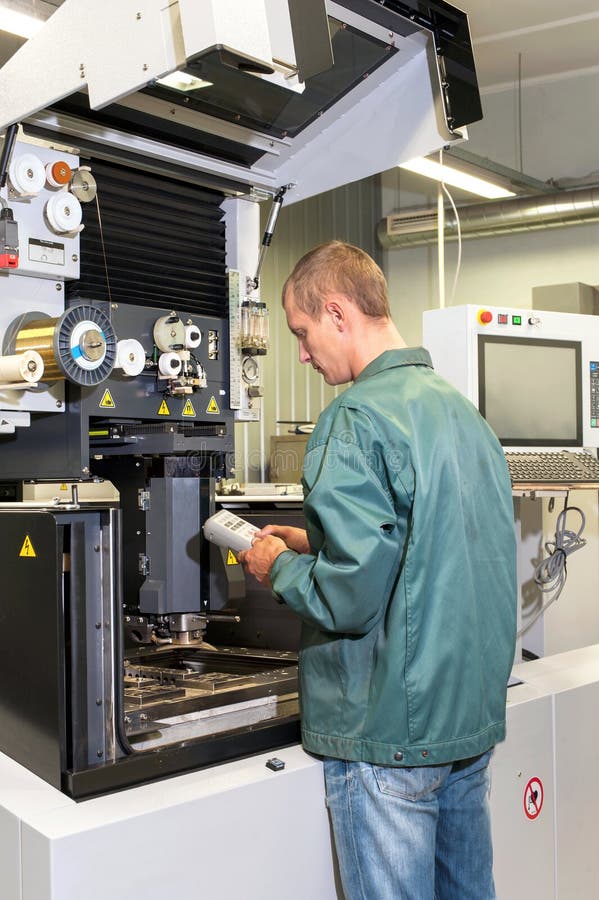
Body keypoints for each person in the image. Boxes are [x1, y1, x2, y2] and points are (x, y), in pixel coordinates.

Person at [238, 240, 517, 900]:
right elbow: (439, 539)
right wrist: (315, 540)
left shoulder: (354, 418)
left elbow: (348, 600)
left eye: (302, 334)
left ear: (336, 312)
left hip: (388, 732)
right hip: (465, 719)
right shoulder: (458, 411)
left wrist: (278, 565)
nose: (303, 355)